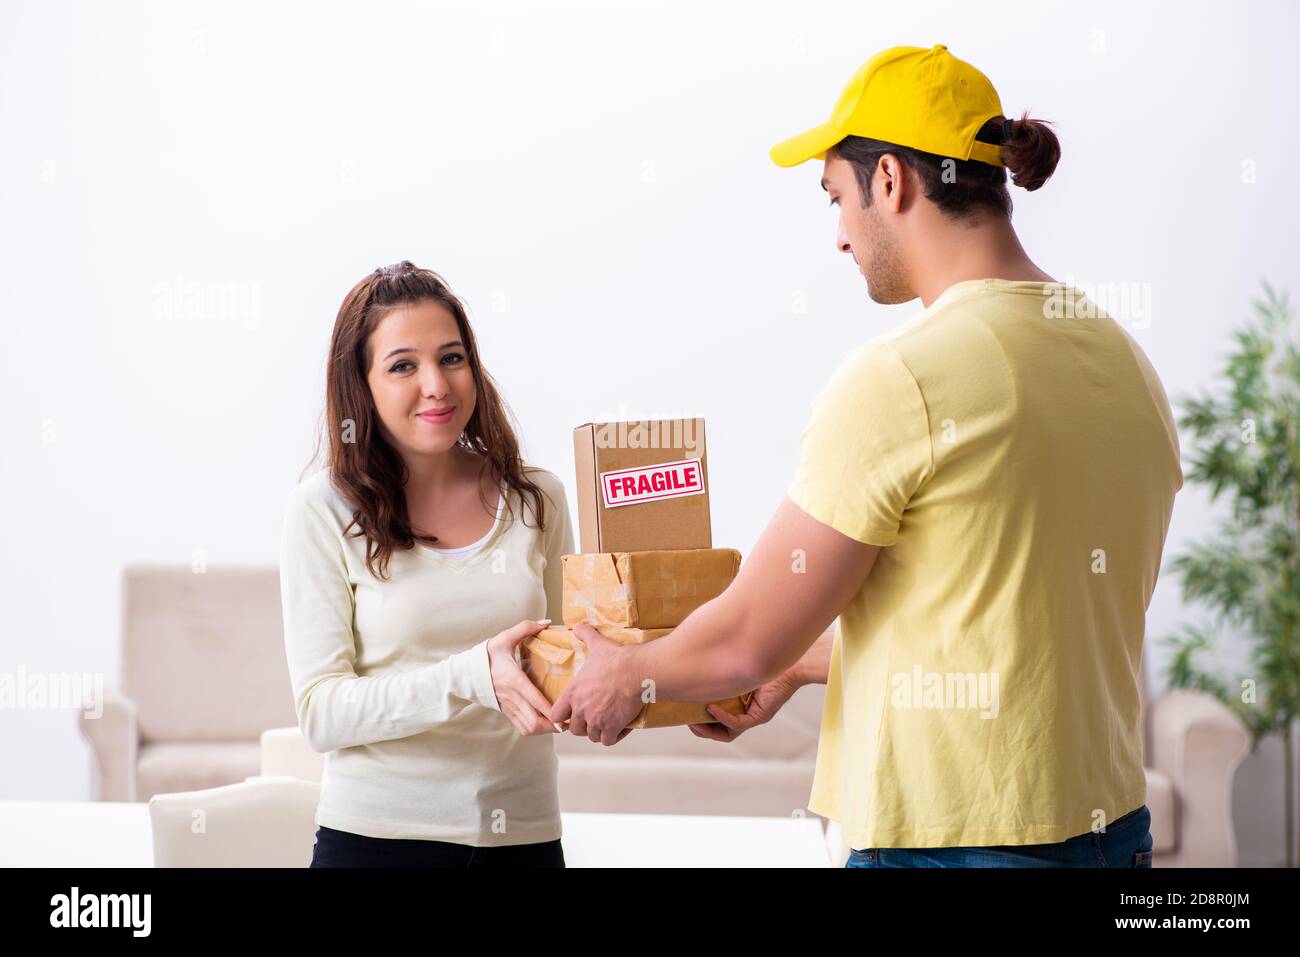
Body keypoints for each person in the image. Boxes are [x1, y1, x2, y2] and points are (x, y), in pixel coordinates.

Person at [552, 44, 1180, 868]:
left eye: (836, 198)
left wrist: (626, 673)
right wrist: (802, 669)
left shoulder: (905, 375)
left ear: (890, 180)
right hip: (1109, 831)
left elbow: (746, 637)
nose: (841, 237)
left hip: (952, 842)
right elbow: (999, 625)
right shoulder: (1124, 361)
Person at [280, 260, 574, 868]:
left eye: (452, 357)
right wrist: (470, 677)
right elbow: (321, 713)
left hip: (521, 840)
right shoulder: (324, 508)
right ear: (360, 385)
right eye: (403, 365)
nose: (436, 385)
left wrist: (680, 676)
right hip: (375, 844)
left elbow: (573, 656)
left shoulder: (536, 498)